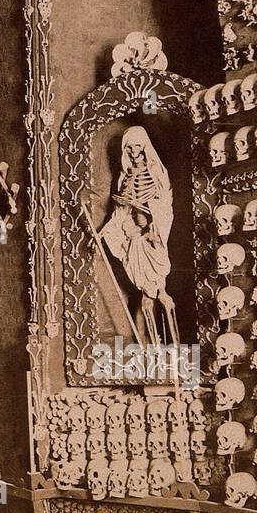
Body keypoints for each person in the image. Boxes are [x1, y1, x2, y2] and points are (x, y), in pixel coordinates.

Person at [99, 126, 179, 347]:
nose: (134, 152)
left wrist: (145, 209)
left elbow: (164, 203)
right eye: (129, 147)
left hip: (153, 236)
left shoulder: (156, 172)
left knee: (161, 293)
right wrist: (107, 230)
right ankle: (153, 348)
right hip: (134, 238)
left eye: (137, 146)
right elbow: (119, 213)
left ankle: (171, 345)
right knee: (146, 297)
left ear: (145, 147)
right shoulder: (124, 178)